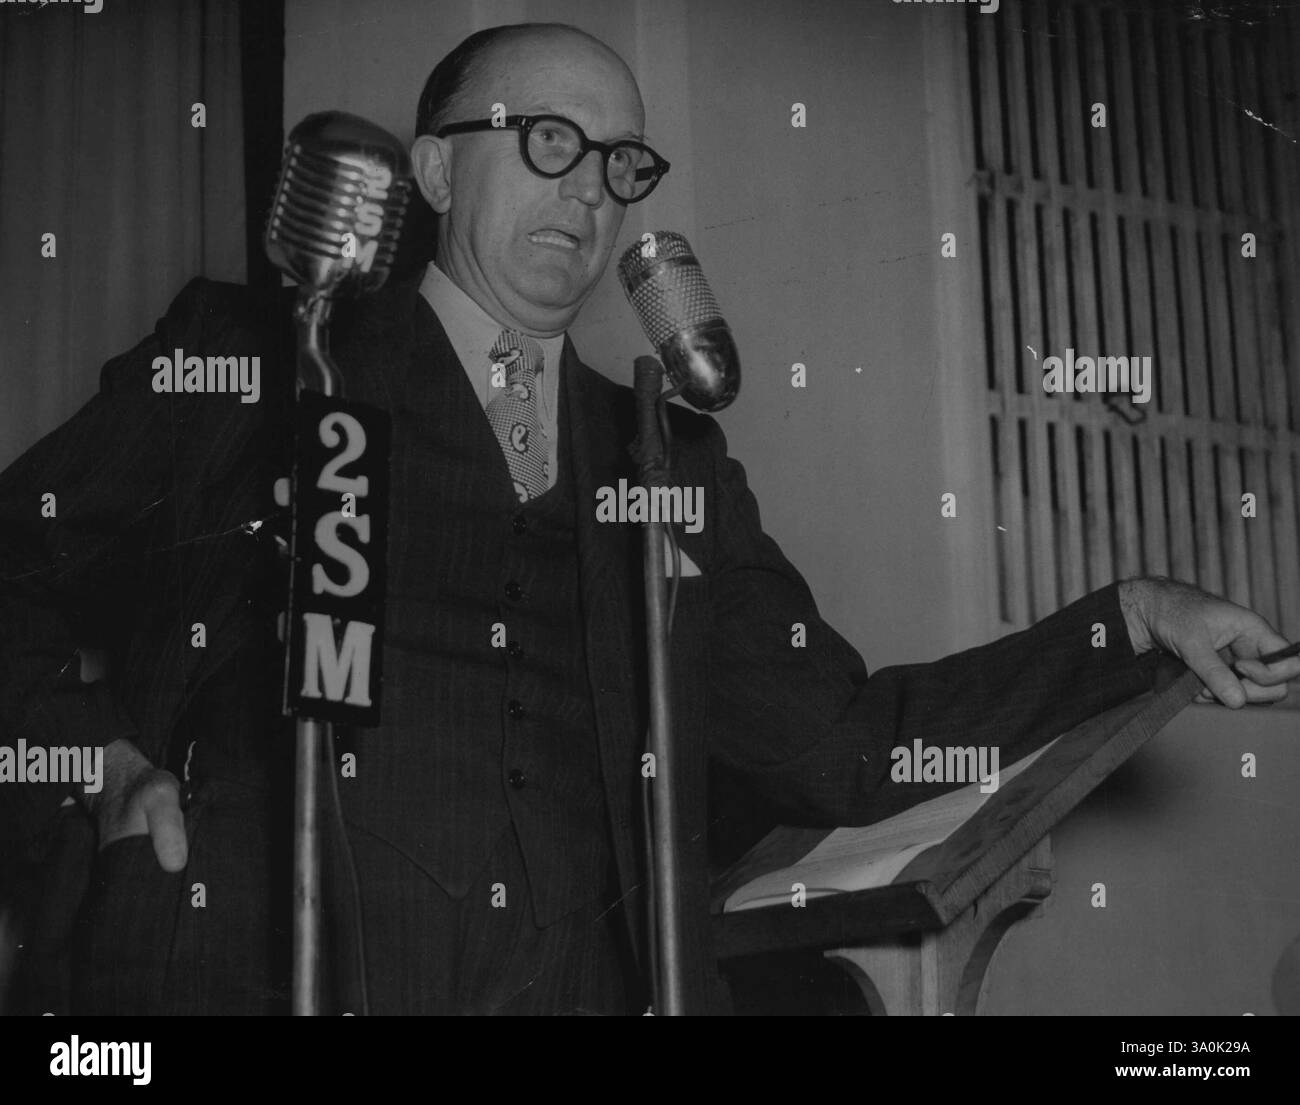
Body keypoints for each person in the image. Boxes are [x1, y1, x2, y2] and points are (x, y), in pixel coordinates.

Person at [1, 21, 1296, 1016]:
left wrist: (1129, 619)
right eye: (545, 141)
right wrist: (93, 767)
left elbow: (838, 744)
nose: (587, 188)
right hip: (249, 972)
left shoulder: (666, 452)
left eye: (617, 158)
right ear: (438, 169)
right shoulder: (270, 352)